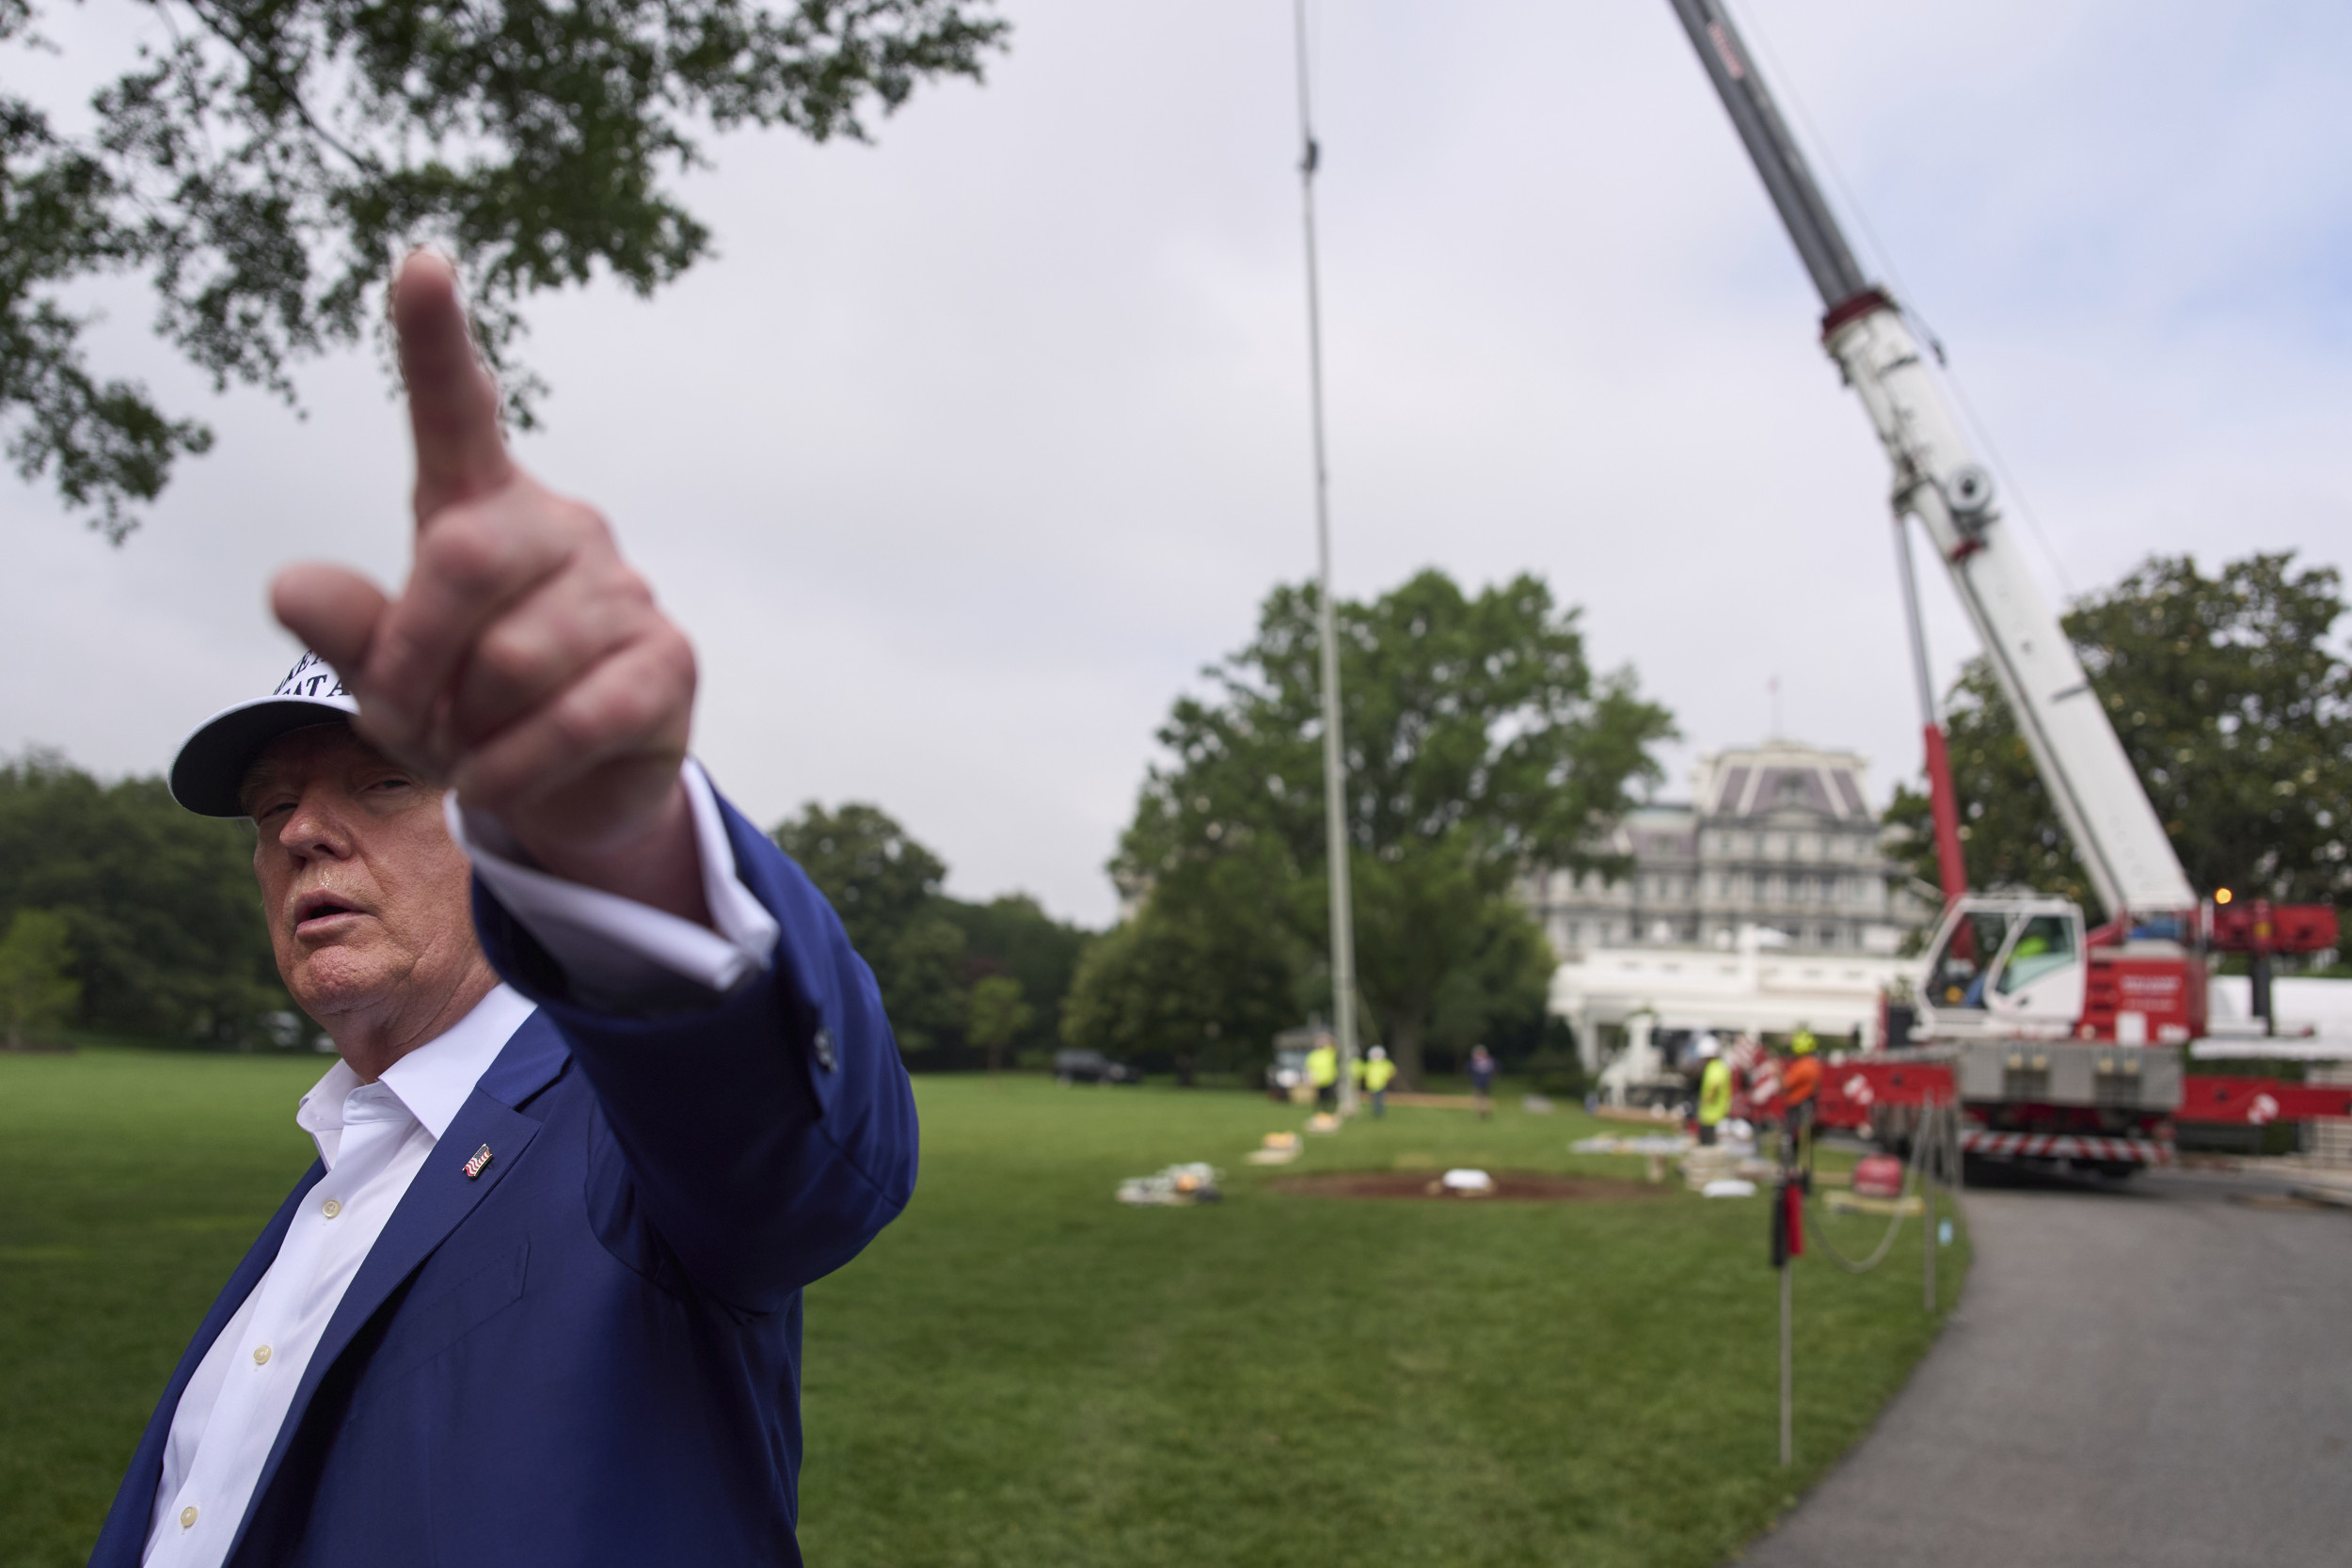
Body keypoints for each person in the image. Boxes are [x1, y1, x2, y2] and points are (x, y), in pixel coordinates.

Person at [87, 253, 916, 1568]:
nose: (304, 830)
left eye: (383, 779)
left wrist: (631, 848)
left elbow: (804, 1155)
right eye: (270, 809)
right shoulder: (337, 1177)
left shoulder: (628, 1145)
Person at [1695, 1037, 1733, 1147]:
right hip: (1712, 1116)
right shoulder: (1719, 1066)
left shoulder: (1715, 1067)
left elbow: (1715, 1083)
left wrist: (1708, 1097)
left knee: (1709, 1149)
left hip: (1713, 1117)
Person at [1306, 1034, 1339, 1112]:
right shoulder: (1313, 1055)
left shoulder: (1329, 1052)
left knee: (1330, 1097)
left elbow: (1336, 1047)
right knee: (1320, 1097)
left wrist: (1330, 1039)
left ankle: (1329, 1111)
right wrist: (1310, 1078)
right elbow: (1309, 1068)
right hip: (1319, 1080)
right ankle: (1320, 1111)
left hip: (1330, 1079)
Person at [1364, 1045, 1396, 1118]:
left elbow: (1392, 1072)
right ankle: (1376, 1112)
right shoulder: (1370, 1064)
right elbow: (1366, 1073)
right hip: (1372, 1085)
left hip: (1382, 1085)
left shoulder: (1385, 1063)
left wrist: (1388, 1080)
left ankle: (1379, 1112)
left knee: (1380, 1099)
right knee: (1374, 1099)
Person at [1467, 1043, 1497, 1120]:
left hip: (1480, 1082)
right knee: (1483, 1098)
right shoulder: (1489, 1060)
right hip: (1484, 1082)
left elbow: (1468, 1070)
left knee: (1479, 1098)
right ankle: (1483, 1111)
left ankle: (1480, 1112)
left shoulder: (1475, 1060)